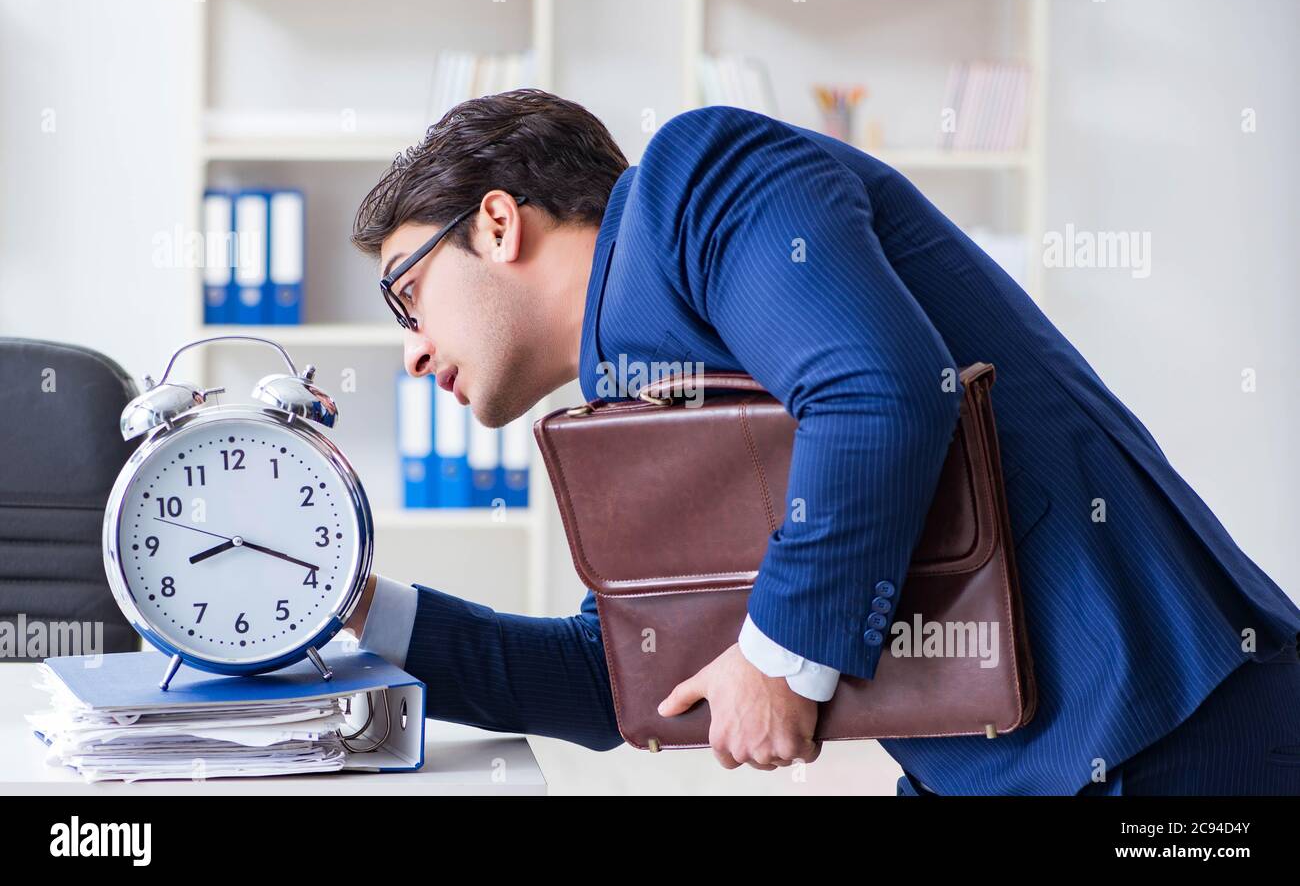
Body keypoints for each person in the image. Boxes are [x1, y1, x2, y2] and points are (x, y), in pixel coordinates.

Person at [344, 89, 1300, 794]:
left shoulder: (698, 180)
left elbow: (882, 390)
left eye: (407, 295)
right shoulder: (625, 400)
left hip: (1170, 731)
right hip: (989, 769)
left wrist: (777, 659)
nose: (416, 352)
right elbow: (619, 683)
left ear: (499, 223)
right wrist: (345, 601)